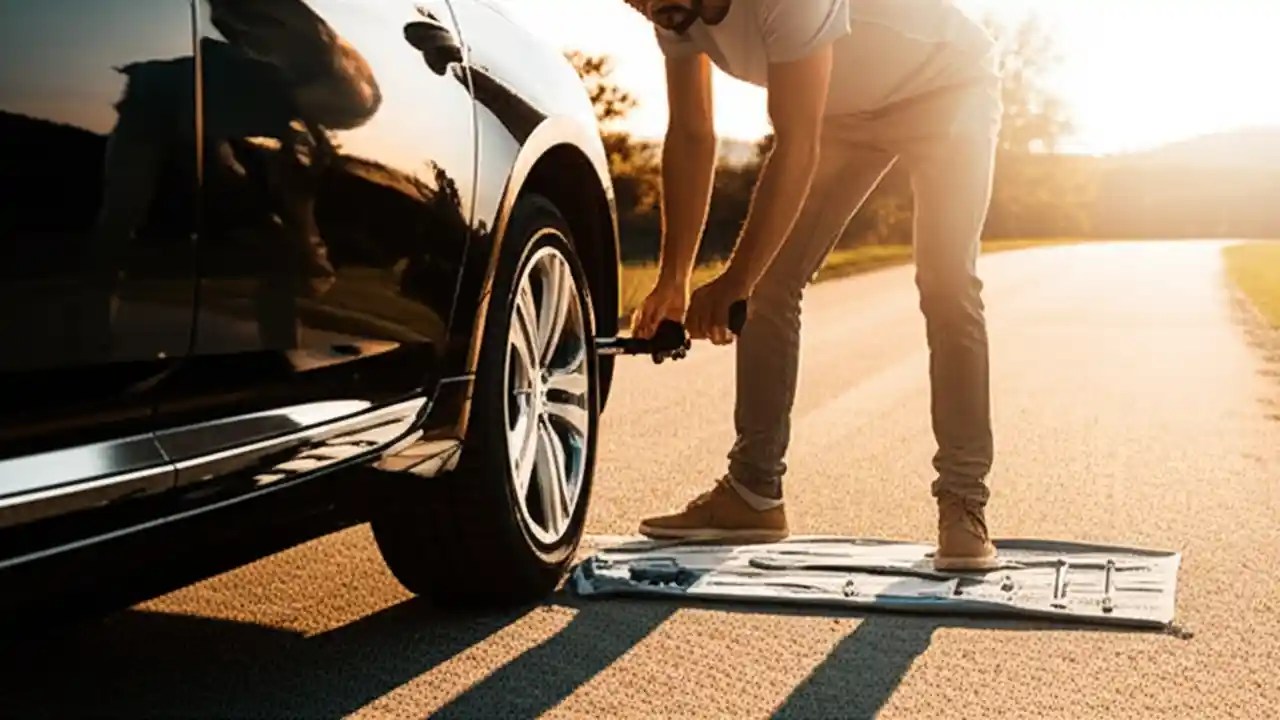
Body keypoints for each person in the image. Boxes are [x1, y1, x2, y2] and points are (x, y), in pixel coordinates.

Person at [625, 0, 1004, 570]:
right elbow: (692, 133)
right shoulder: (674, 14)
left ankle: (963, 503)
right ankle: (754, 492)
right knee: (771, 284)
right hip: (844, 109)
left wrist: (734, 280)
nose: (645, 7)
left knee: (945, 280)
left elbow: (796, 145)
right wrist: (675, 276)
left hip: (946, 87)